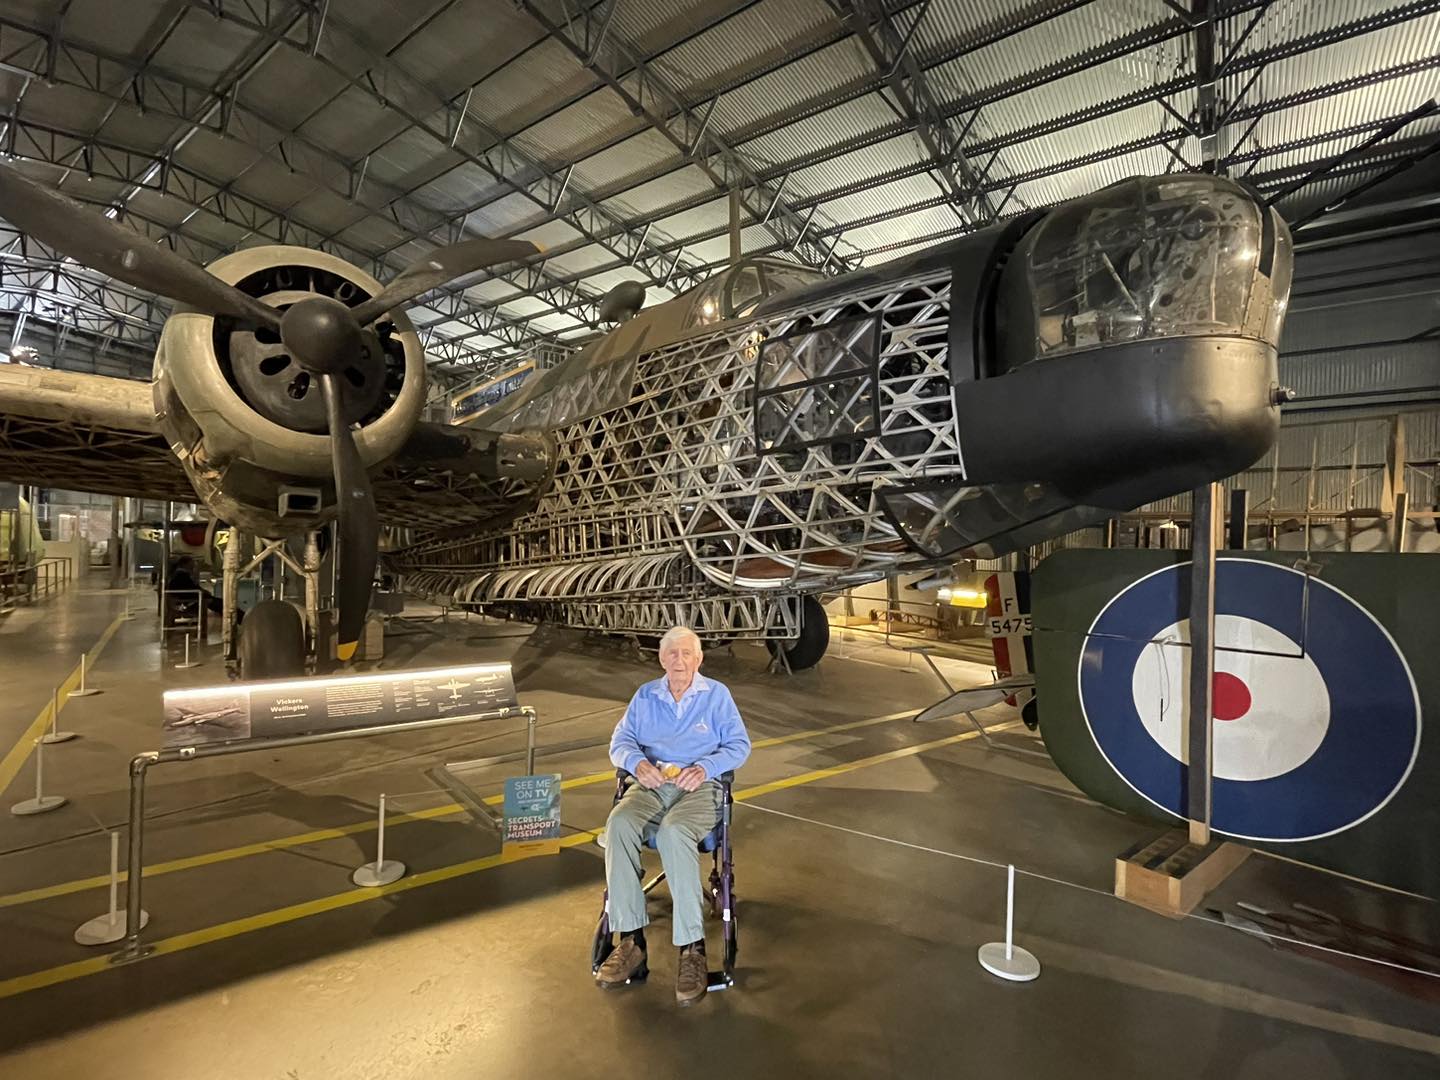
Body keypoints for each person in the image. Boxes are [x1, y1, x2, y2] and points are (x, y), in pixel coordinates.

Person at [595, 626, 751, 1006]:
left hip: (699, 787)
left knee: (673, 830)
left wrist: (706, 767)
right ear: (661, 658)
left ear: (699, 659)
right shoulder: (646, 696)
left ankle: (692, 948)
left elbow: (739, 745)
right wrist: (636, 763)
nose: (678, 661)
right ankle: (631, 940)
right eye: (671, 654)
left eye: (686, 654)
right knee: (619, 823)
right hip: (652, 783)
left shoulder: (716, 696)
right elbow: (620, 741)